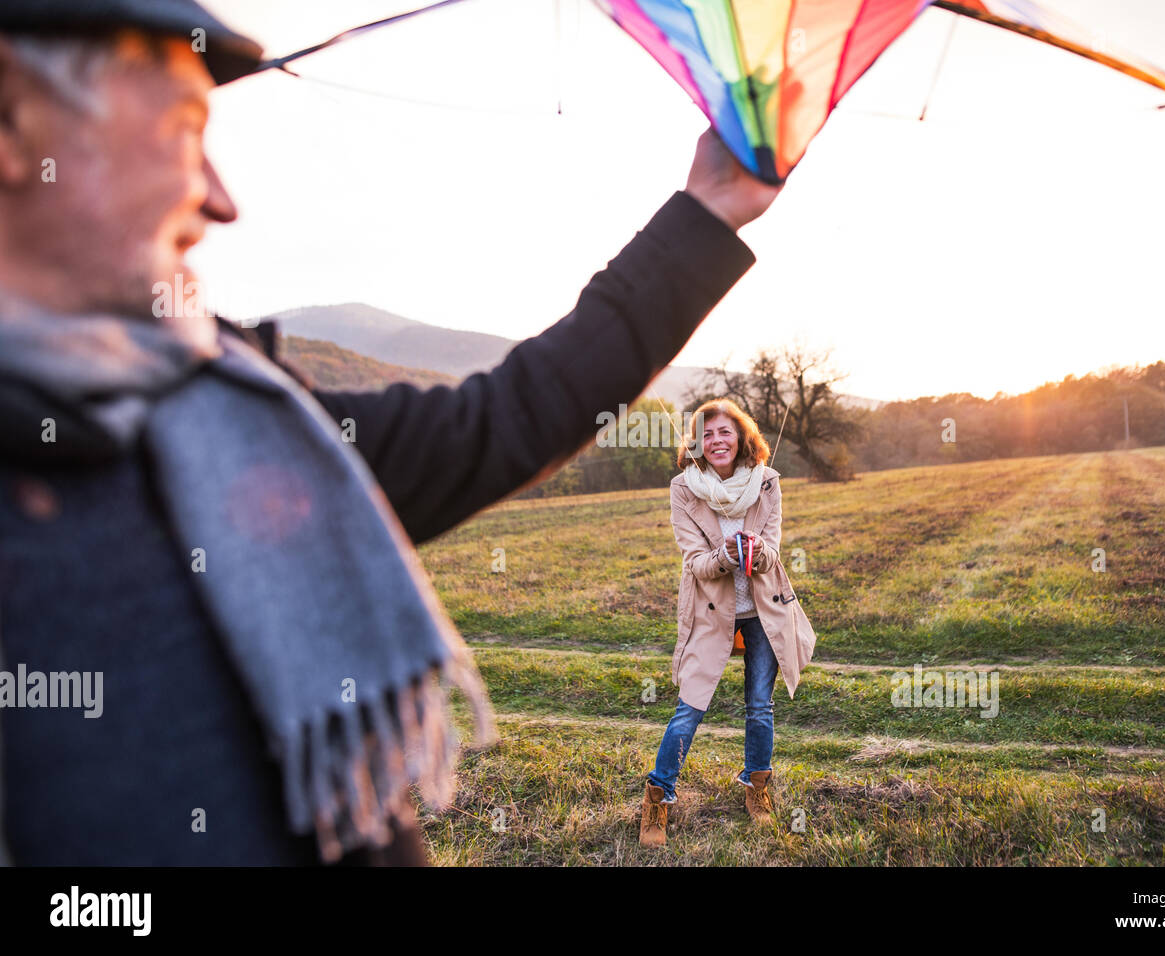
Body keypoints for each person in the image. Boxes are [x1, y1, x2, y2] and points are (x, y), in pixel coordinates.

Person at [0, 0, 784, 865]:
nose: (221, 200)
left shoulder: (236, 407)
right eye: (184, 131)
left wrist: (708, 212)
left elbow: (505, 418)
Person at [640, 398, 816, 847]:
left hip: (763, 611)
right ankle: (657, 799)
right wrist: (725, 556)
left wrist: (758, 553)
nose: (717, 441)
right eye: (708, 434)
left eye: (725, 432)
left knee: (760, 706)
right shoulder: (684, 488)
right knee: (690, 707)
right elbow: (695, 562)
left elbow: (773, 551)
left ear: (741, 438)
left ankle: (757, 789)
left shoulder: (768, 482)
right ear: (697, 442)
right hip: (710, 614)